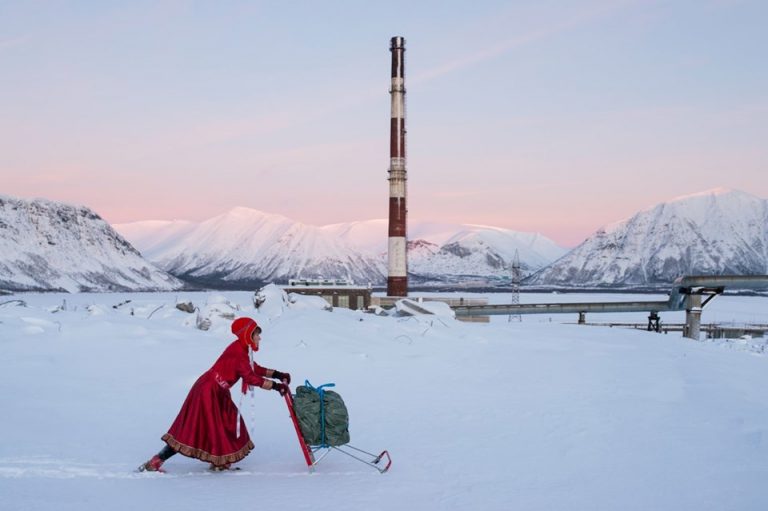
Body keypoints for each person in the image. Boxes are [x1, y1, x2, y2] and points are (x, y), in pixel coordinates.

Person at [139, 317, 291, 472]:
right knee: (191, 429)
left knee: (228, 423)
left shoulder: (241, 348)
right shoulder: (238, 352)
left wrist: (277, 374)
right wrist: (275, 386)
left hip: (217, 390)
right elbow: (250, 377)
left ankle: (219, 462)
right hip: (208, 391)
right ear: (248, 335)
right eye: (257, 334)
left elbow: (253, 368)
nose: (259, 338)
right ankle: (155, 462)